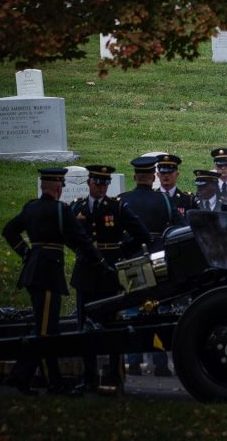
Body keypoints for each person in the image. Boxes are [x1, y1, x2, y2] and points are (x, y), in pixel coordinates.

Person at [2, 168, 111, 396]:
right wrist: (101, 264)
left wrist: (25, 252)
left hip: (35, 271)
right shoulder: (61, 210)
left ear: (44, 186)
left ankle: (49, 380)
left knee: (46, 329)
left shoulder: (31, 207)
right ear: (58, 187)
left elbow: (9, 230)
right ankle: (26, 377)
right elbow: (79, 239)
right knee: (44, 332)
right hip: (47, 273)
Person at [70, 165, 151, 393]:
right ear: (89, 183)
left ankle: (115, 376)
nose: (101, 187)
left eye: (104, 183)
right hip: (86, 273)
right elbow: (68, 234)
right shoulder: (78, 207)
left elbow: (141, 234)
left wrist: (121, 252)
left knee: (113, 326)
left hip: (109, 273)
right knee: (84, 327)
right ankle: (89, 377)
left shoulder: (117, 207)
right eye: (97, 183)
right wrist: (79, 250)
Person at [119, 156, 185, 377]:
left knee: (132, 311)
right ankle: (160, 363)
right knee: (159, 311)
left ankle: (134, 361)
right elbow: (180, 227)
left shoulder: (123, 200)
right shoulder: (165, 201)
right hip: (157, 259)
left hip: (132, 259)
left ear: (135, 177)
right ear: (152, 177)